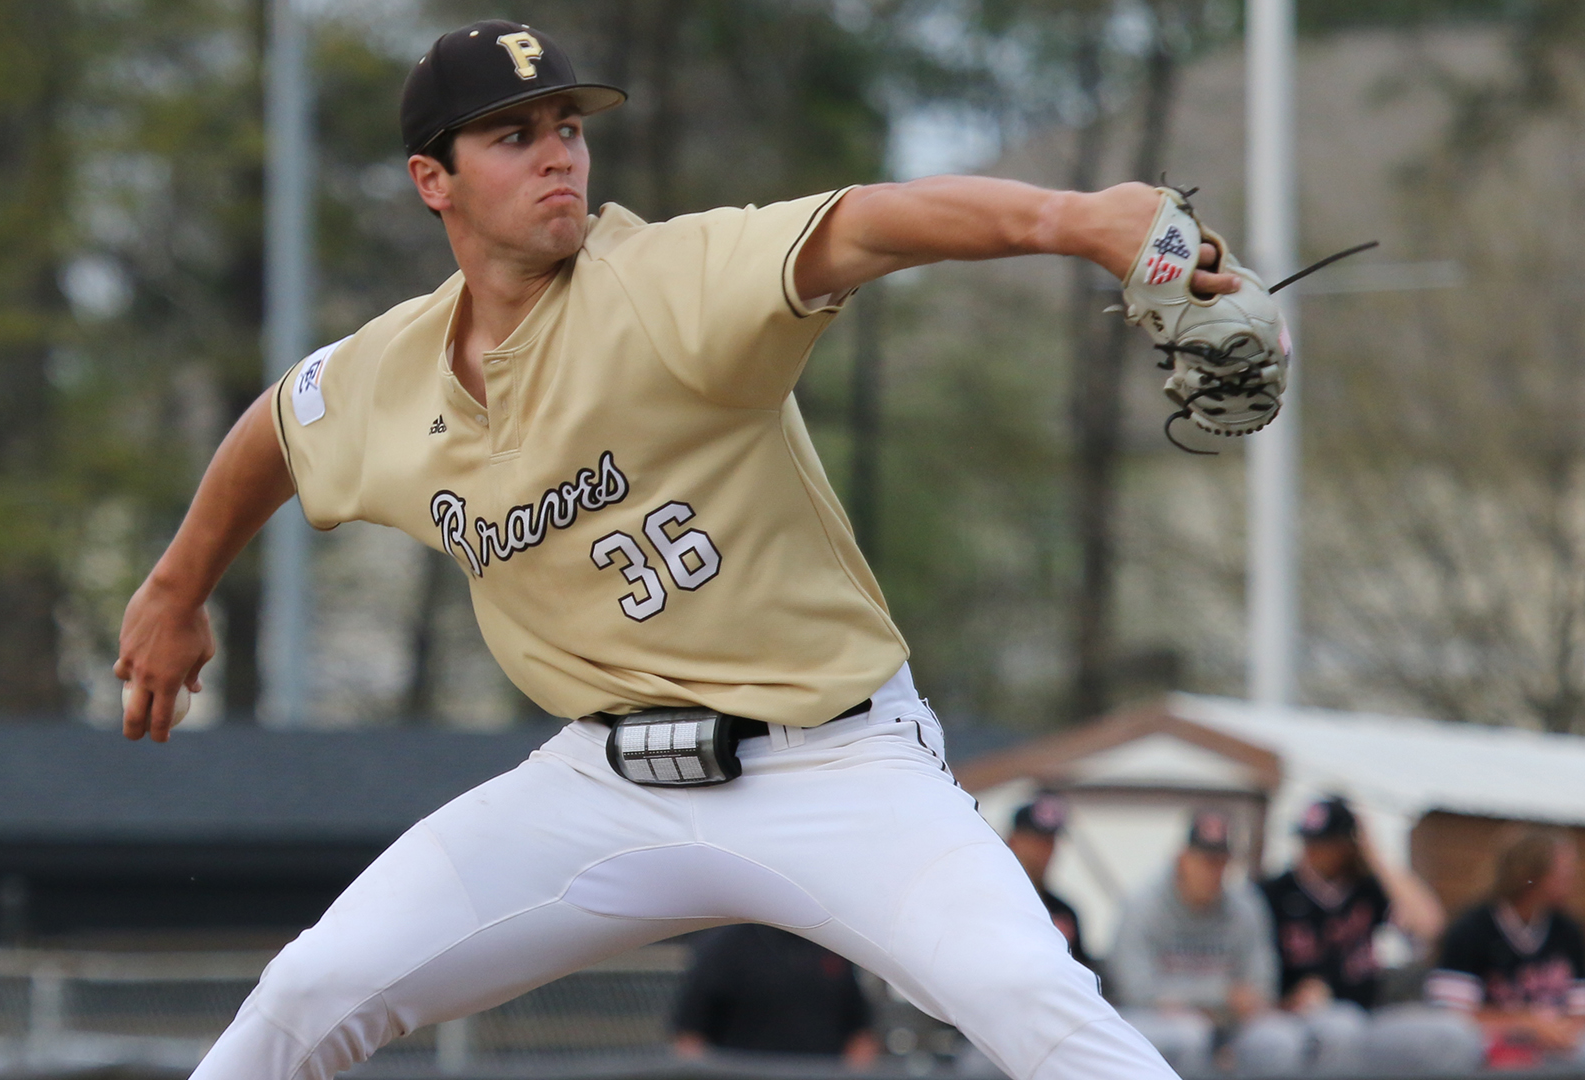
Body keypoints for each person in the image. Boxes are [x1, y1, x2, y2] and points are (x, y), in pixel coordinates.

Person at [113, 20, 1241, 1080]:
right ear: (432, 180)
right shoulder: (386, 371)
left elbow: (867, 223)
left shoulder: (657, 284)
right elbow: (279, 424)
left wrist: (1076, 218)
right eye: (515, 136)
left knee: (1026, 991)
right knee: (311, 988)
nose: (560, 157)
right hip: (600, 787)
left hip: (833, 764)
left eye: (569, 129)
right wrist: (177, 587)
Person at [1252, 796, 1447, 1072]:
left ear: (1346, 845)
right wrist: (1287, 1000)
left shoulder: (1366, 888)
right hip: (1294, 1024)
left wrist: (1375, 854)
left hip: (1371, 1015)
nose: (1310, 851)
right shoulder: (1274, 892)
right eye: (1307, 841)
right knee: (1342, 1028)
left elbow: (1429, 925)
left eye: (1322, 843)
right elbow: (1251, 973)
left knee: (1448, 1035)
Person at [1109, 810, 1283, 1074]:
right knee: (1189, 1037)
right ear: (1182, 859)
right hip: (1158, 1025)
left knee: (1278, 1040)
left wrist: (1194, 1003)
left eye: (1220, 862)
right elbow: (1135, 990)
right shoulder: (1143, 906)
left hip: (1230, 1026)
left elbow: (1262, 988)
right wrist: (1219, 995)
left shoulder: (1246, 907)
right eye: (1204, 861)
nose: (1212, 872)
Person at [1425, 829, 1585, 1069]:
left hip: (1556, 1050)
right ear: (1530, 872)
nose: (1571, 875)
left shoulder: (1569, 931)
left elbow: (1579, 1013)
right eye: (1562, 868)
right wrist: (1527, 1025)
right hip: (1485, 1054)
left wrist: (1553, 1030)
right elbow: (1451, 1017)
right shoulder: (1471, 928)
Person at [671, 924, 877, 1069]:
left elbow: (860, 1033)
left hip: (822, 1071)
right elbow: (689, 1035)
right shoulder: (724, 945)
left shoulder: (831, 942)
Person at [1006, 794, 1095, 971]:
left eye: (1050, 842)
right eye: (1036, 841)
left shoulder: (1065, 912)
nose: (1045, 851)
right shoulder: (994, 902)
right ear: (1013, 841)